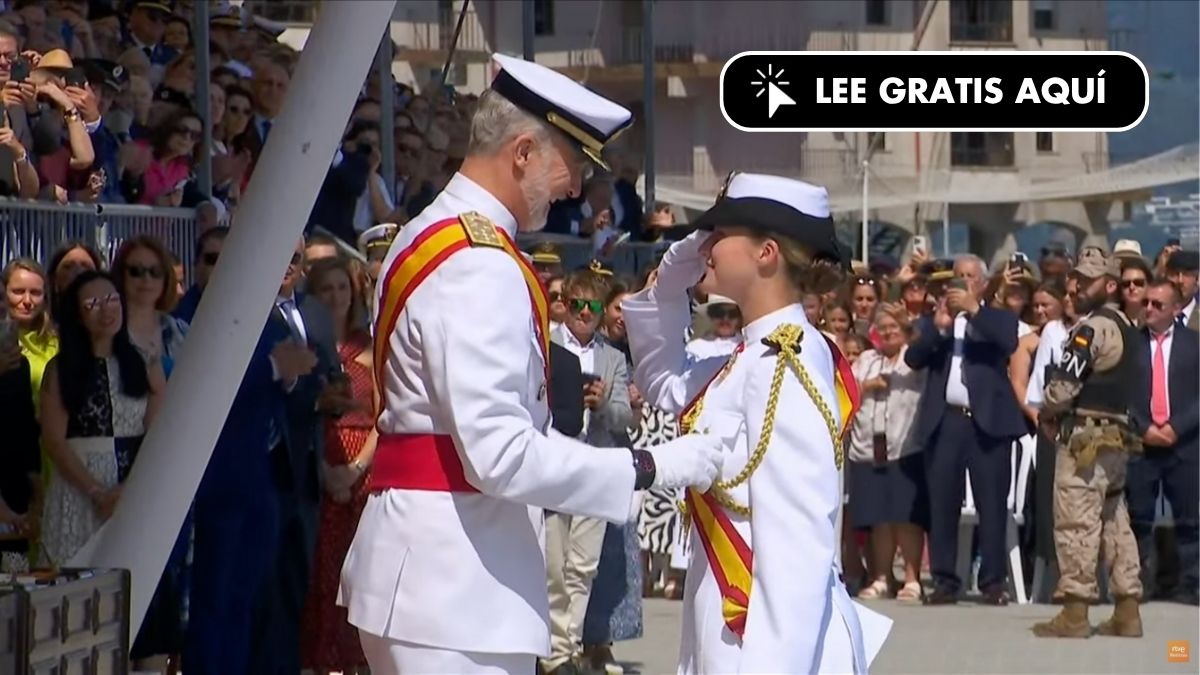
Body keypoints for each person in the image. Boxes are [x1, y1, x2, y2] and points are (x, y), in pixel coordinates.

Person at [338, 53, 722, 675]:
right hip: (457, 581)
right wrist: (650, 466)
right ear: (522, 152)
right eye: (572, 165)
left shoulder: (431, 233)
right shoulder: (478, 264)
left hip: (436, 571)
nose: (575, 189)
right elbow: (499, 454)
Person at [622, 172, 889, 674]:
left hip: (764, 635)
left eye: (719, 234)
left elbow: (796, 548)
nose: (705, 245)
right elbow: (662, 380)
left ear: (766, 253)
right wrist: (673, 276)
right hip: (729, 616)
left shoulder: (785, 361)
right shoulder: (748, 355)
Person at [1033, 247, 1144, 638]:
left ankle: (1075, 612)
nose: (1076, 286)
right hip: (1116, 437)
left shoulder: (1091, 328)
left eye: (1087, 280)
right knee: (1115, 521)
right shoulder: (1129, 328)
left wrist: (1048, 410)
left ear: (1109, 285)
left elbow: (1064, 386)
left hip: (1083, 440)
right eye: (1075, 278)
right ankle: (1128, 608)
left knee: (1076, 521)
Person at [905, 254, 1026, 606]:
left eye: (970, 276)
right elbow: (913, 358)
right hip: (946, 421)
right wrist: (940, 328)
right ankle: (944, 581)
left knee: (992, 504)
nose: (962, 282)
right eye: (958, 276)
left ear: (983, 284)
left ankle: (992, 582)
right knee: (943, 503)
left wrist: (974, 310)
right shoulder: (936, 321)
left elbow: (1008, 342)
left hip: (987, 422)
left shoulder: (998, 317)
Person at [1127, 278, 1198, 605]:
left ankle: (1190, 584)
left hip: (1184, 444)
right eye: (1146, 303)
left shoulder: (1194, 344)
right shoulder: (1130, 344)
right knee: (1138, 518)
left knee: (1190, 520)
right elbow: (1122, 393)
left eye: (1158, 304)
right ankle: (1139, 582)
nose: (1149, 309)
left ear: (1175, 308)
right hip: (1141, 444)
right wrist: (1144, 428)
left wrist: (1176, 427)